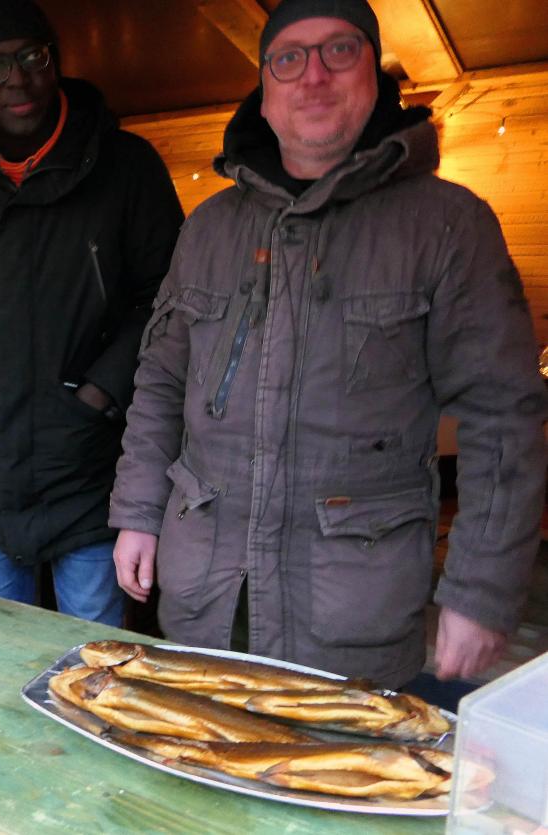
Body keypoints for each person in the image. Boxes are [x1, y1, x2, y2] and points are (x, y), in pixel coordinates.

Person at [109, 0, 546, 686]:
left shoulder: (447, 226)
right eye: (289, 58)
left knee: (334, 784)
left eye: (339, 51)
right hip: (206, 594)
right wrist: (137, 511)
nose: (312, 75)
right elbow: (160, 379)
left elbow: (505, 416)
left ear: (375, 74)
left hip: (352, 610)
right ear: (266, 87)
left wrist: (481, 589)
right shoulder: (210, 229)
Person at [0, 0, 183, 625]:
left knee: (94, 668)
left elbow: (168, 296)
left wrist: (99, 393)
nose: (18, 77)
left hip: (91, 468)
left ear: (56, 61)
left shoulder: (127, 167)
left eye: (33, 56)